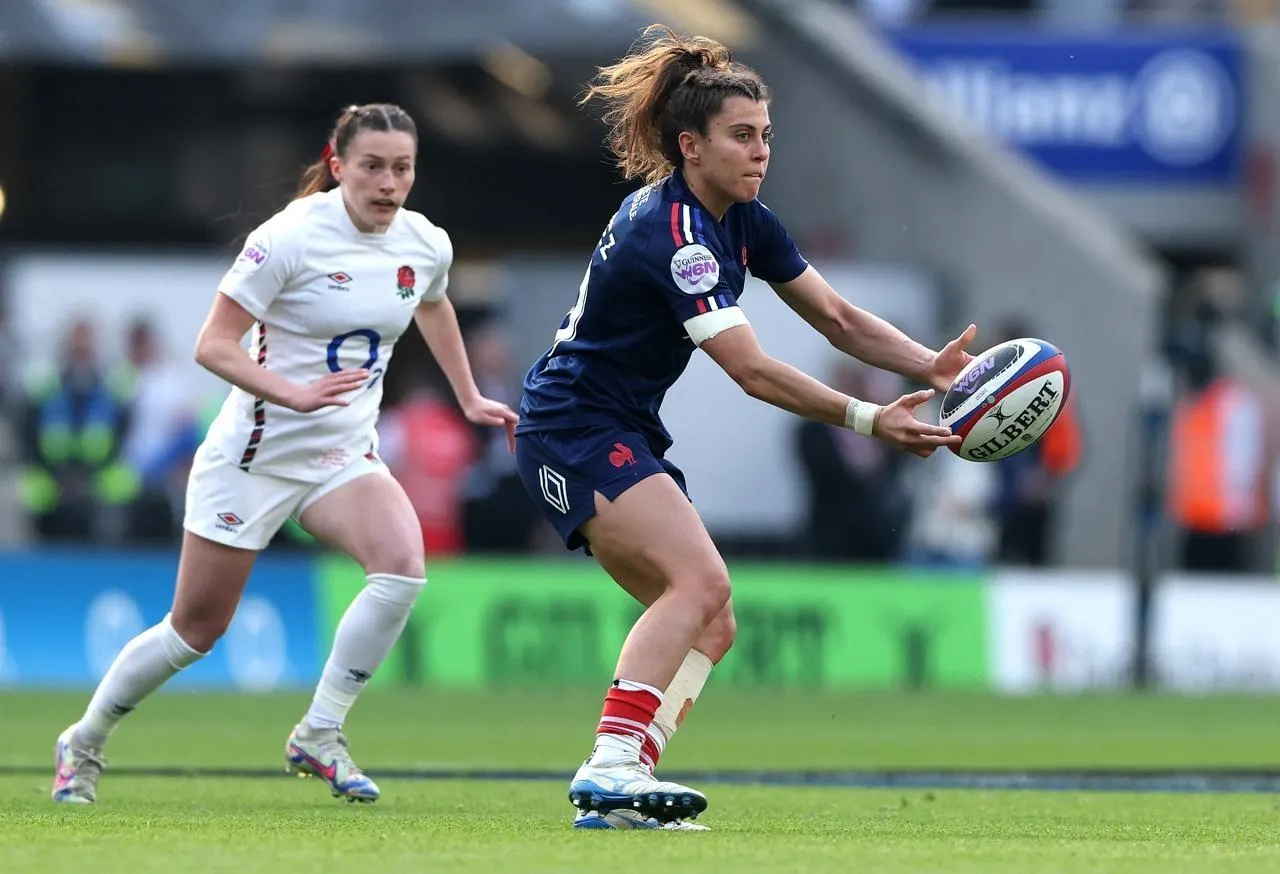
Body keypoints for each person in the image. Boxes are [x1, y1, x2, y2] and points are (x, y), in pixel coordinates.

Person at [513, 24, 976, 830]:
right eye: (742, 137)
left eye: (766, 136)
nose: (761, 152)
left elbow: (834, 317)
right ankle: (612, 763)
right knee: (700, 585)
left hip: (613, 425)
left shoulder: (743, 219)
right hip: (572, 425)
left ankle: (624, 794)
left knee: (713, 621)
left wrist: (930, 366)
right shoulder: (677, 234)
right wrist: (872, 419)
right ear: (691, 146)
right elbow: (752, 372)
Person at [51, 103, 518, 805]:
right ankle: (83, 739)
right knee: (196, 630)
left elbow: (434, 303)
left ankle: (319, 732)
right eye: (372, 167)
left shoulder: (424, 242)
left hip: (340, 456)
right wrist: (292, 394)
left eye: (402, 168)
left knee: (401, 568)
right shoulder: (290, 238)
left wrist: (469, 395)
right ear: (338, 166)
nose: (389, 183)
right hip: (255, 457)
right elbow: (213, 344)